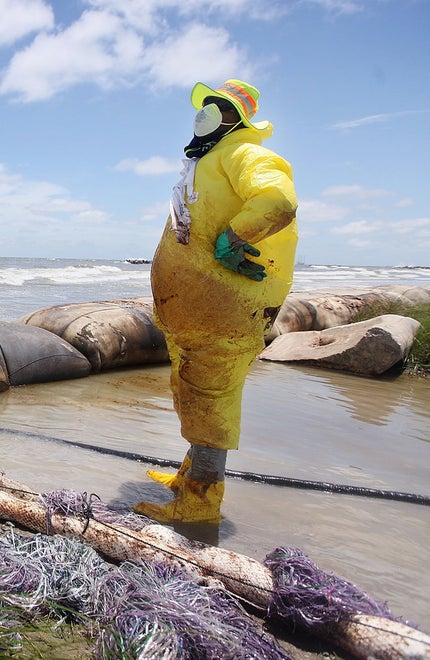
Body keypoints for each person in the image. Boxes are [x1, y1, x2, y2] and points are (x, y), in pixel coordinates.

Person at [135, 79, 298, 524]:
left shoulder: (245, 153)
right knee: (192, 391)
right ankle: (190, 475)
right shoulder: (208, 162)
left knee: (210, 397)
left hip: (225, 309)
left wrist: (234, 237)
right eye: (206, 105)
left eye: (220, 107)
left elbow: (277, 199)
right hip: (195, 312)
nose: (207, 113)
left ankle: (200, 503)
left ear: (239, 119)